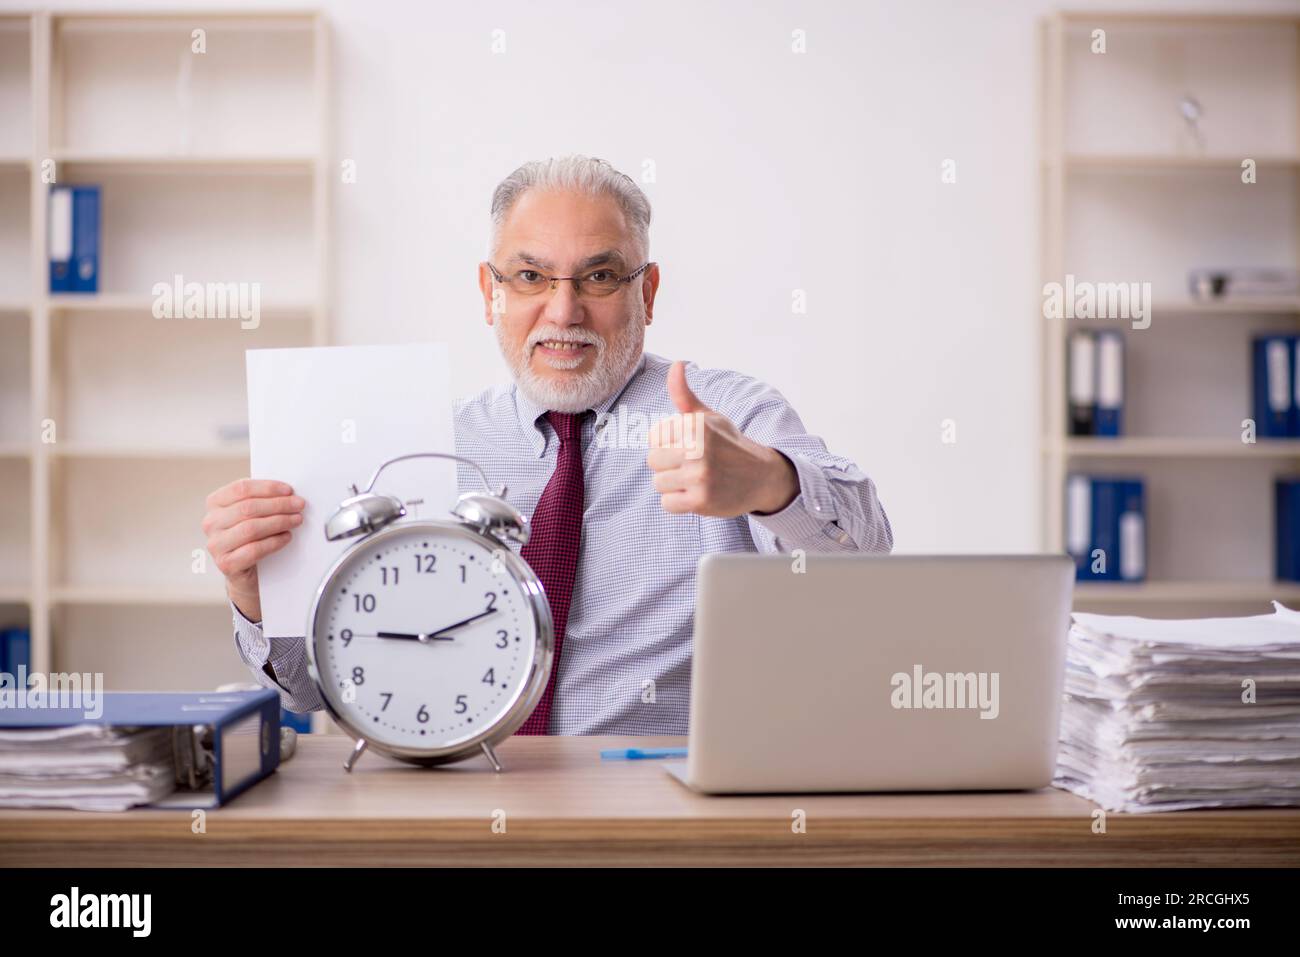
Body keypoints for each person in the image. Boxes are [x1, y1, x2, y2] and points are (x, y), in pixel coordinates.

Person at [201, 154, 893, 735]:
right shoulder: (419, 448)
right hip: (461, 804)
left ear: (647, 293)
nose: (564, 311)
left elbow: (866, 560)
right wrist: (254, 593)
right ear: (489, 292)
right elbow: (308, 693)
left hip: (658, 813)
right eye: (530, 277)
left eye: (599, 276)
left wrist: (772, 485)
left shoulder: (726, 420)